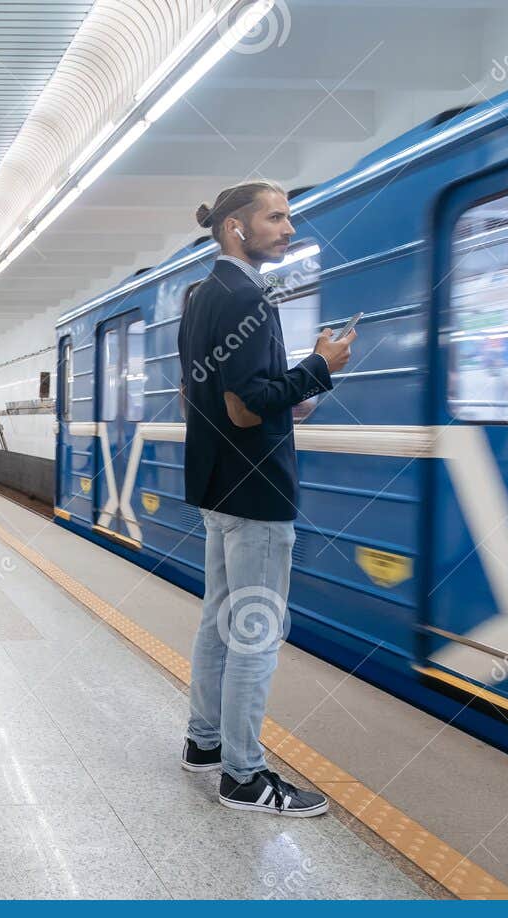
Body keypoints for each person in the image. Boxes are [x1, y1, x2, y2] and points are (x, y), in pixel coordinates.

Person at [177, 179, 354, 817]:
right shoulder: (249, 297)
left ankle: (204, 743)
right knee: (254, 633)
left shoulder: (201, 296)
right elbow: (250, 405)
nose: (288, 228)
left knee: (218, 619)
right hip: (256, 490)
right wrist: (320, 365)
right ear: (235, 229)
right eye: (276, 218)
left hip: (217, 484)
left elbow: (216, 397)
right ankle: (244, 777)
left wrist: (292, 396)